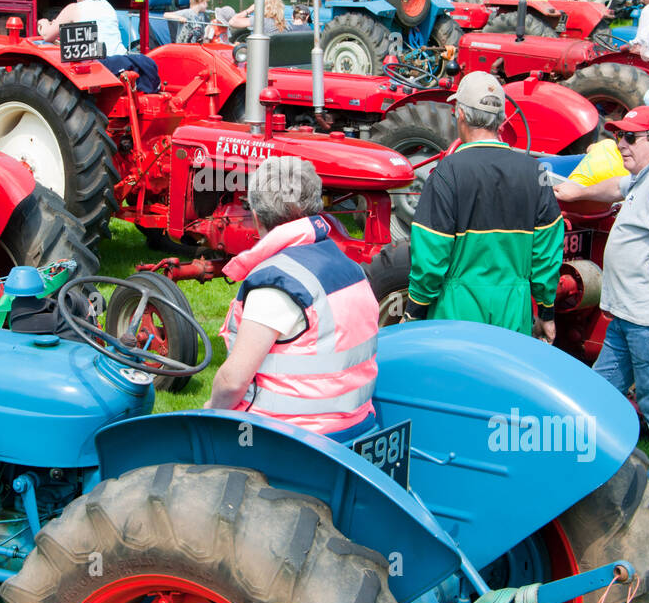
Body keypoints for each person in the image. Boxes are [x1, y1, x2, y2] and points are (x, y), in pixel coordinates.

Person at [552, 105, 649, 515]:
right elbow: (617, 185)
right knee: (598, 393)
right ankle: (586, 474)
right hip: (629, 316)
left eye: (631, 137)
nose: (621, 143)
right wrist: (573, 192)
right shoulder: (646, 176)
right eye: (619, 135)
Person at [207, 156, 379, 439]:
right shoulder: (351, 268)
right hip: (355, 424)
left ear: (258, 218)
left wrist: (211, 408)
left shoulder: (277, 282)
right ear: (315, 206)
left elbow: (232, 381)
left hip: (290, 439)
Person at [405, 71, 564, 338]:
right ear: (501, 120)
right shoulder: (535, 171)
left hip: (457, 311)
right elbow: (547, 254)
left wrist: (414, 311)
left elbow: (431, 254)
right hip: (514, 309)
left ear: (462, 115)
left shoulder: (447, 172)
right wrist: (547, 312)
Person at [36, 0, 127, 57]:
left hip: (100, 62)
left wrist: (44, 23)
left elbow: (47, 36)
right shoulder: (108, 7)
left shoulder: (73, 9)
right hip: (121, 58)